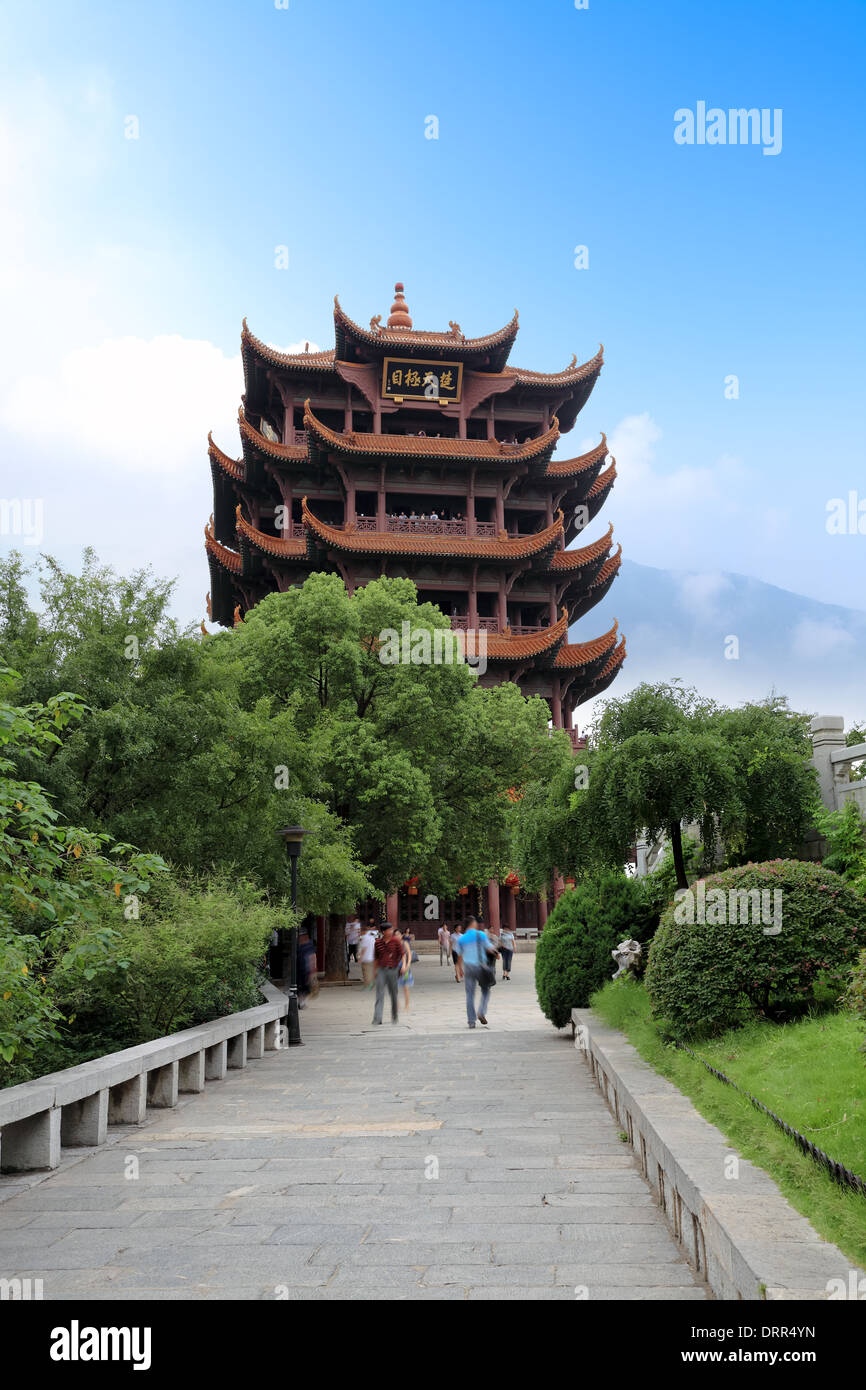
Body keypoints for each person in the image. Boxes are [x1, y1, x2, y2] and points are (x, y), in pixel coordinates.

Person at [460, 915, 499, 1028]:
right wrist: (496, 952)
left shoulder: (462, 938)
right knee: (486, 990)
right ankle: (481, 1012)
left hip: (468, 967)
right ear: (472, 923)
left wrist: (459, 969)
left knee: (470, 995)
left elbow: (459, 954)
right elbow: (489, 948)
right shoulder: (480, 934)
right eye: (475, 922)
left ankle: (471, 1021)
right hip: (480, 966)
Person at [372, 920, 403, 1024]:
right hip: (381, 970)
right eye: (389, 930)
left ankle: (394, 1016)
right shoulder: (377, 942)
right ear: (383, 932)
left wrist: (402, 966)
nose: (391, 931)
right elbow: (376, 958)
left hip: (393, 970)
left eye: (392, 929)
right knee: (379, 994)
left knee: (393, 994)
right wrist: (374, 971)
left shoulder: (396, 941)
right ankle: (377, 1018)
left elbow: (402, 954)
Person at [297, 929, 318, 1008]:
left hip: (307, 970)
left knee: (306, 987)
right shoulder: (299, 946)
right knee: (300, 986)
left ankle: (301, 1002)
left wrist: (313, 970)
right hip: (299, 969)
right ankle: (301, 1002)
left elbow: (312, 957)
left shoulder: (309, 945)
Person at [396, 929, 414, 1012]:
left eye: (398, 934)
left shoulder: (404, 943)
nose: (397, 936)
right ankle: (397, 1005)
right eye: (395, 935)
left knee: (405, 987)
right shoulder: (393, 944)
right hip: (395, 967)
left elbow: (409, 955)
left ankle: (406, 1005)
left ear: (401, 935)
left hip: (405, 966)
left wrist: (408, 965)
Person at [359, 922, 377, 989]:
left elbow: (364, 948)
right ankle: (369, 984)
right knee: (370, 972)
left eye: (360, 932)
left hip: (366, 957)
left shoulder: (365, 938)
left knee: (366, 973)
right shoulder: (372, 937)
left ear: (363, 931)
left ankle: (368, 985)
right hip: (372, 957)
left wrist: (361, 957)